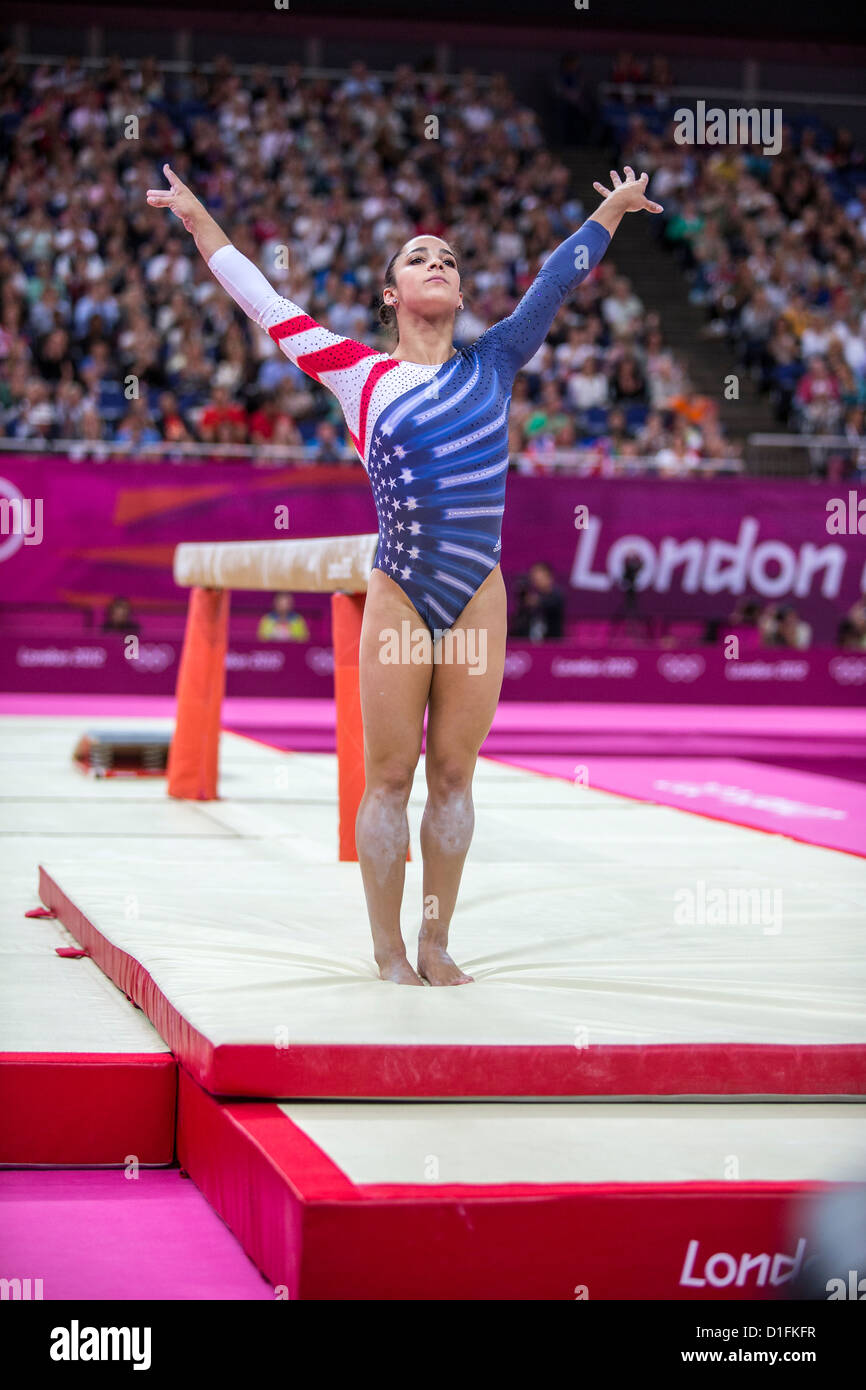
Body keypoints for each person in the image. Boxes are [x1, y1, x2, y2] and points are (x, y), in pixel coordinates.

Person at [147, 160, 663, 986]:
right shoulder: (358, 371)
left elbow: (554, 283)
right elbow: (263, 303)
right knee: (390, 776)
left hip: (476, 594)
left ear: (460, 297)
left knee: (454, 774)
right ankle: (388, 949)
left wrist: (609, 209)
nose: (438, 265)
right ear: (391, 294)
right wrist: (200, 221)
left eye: (449, 261)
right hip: (400, 590)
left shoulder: (493, 361)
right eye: (419, 257)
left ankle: (434, 941)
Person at [510, 563, 565, 640]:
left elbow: (548, 603)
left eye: (539, 577)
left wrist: (534, 601)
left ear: (549, 576)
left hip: (552, 641)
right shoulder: (531, 595)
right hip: (530, 641)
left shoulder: (556, 594)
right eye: (534, 578)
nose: (536, 580)